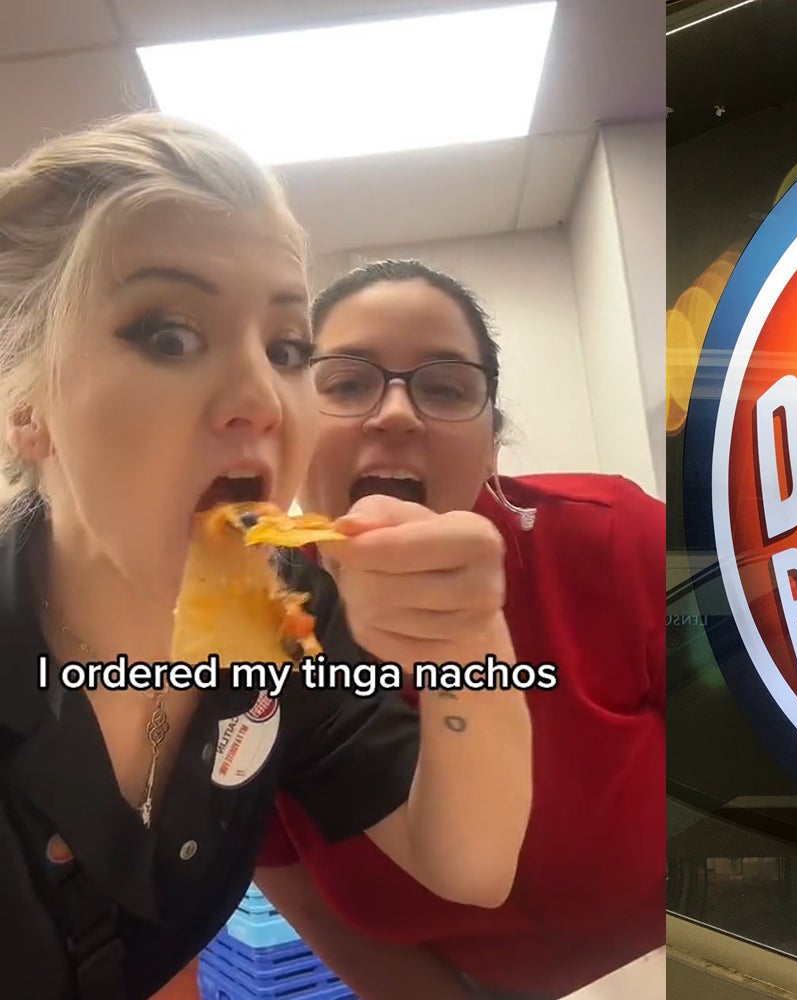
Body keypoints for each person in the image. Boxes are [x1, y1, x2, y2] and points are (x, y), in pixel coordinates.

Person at [0, 114, 534, 1000]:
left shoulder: (275, 619)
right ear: (30, 405)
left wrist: (468, 651)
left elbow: (470, 864)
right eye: (169, 334)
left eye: (287, 348)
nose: (262, 398)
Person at [253, 259, 667, 1000]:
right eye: (346, 383)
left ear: (492, 444)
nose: (397, 414)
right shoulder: (256, 629)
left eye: (445, 387)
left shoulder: (618, 539)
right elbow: (323, 915)